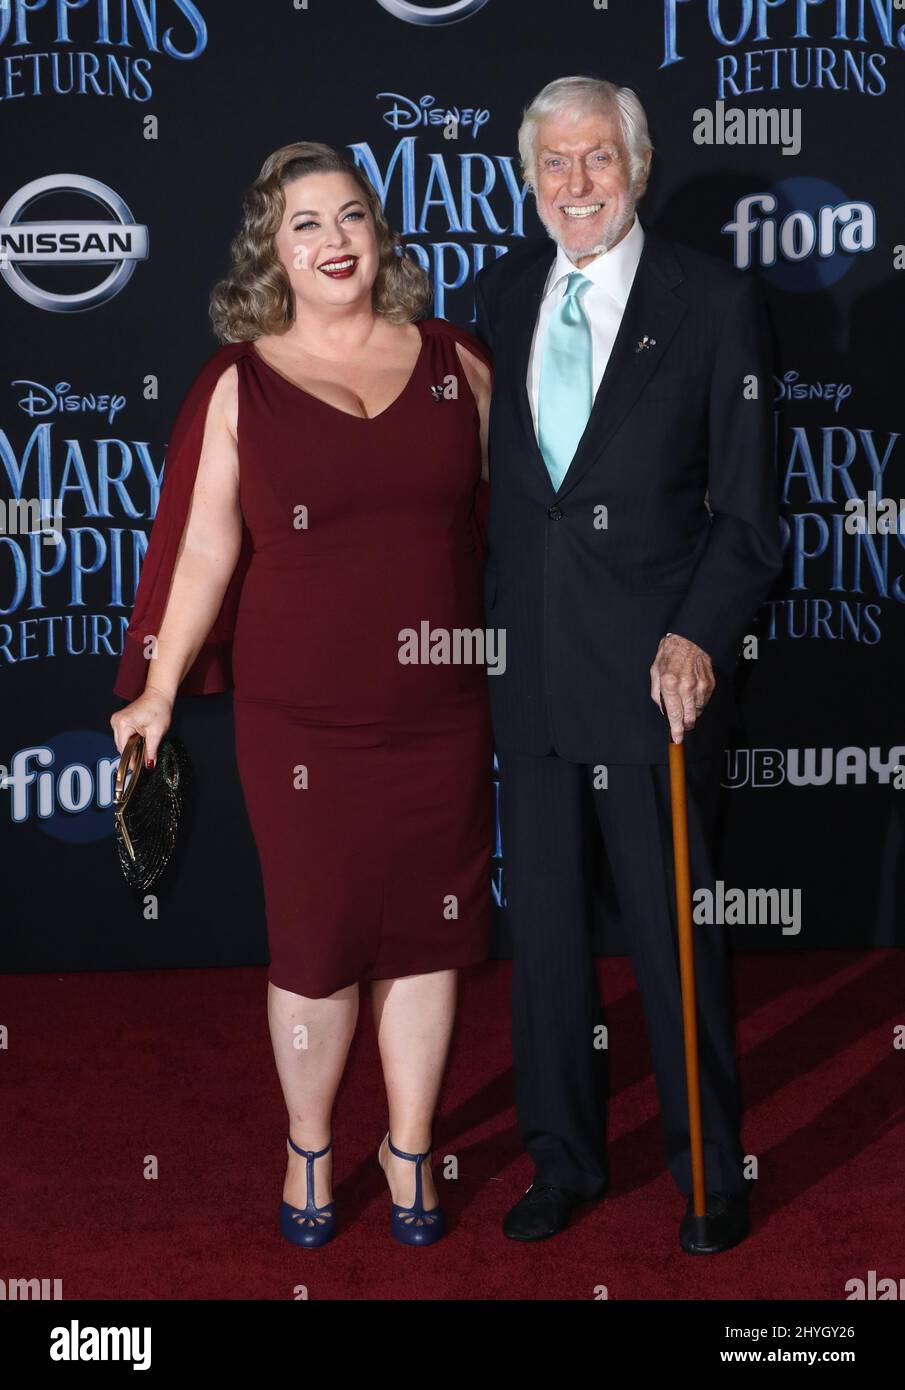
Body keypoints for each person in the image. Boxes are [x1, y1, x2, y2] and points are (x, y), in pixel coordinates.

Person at [111, 142, 495, 1248]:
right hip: (304, 726)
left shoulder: (453, 360)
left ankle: (410, 1145)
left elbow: (522, 523)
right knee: (319, 945)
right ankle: (311, 1142)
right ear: (269, 253)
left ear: (381, 235)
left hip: (441, 710)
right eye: (303, 225)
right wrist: (155, 688)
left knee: (431, 939)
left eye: (350, 217)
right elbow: (200, 554)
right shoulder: (240, 381)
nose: (333, 241)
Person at [472, 77, 784, 1252]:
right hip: (533, 671)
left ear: (638, 168)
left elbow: (750, 518)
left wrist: (697, 633)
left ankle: (708, 1171)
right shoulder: (502, 295)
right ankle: (561, 1159)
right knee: (544, 941)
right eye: (551, 163)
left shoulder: (710, 303)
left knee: (672, 935)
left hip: (657, 675)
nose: (574, 183)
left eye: (596, 158)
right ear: (530, 180)